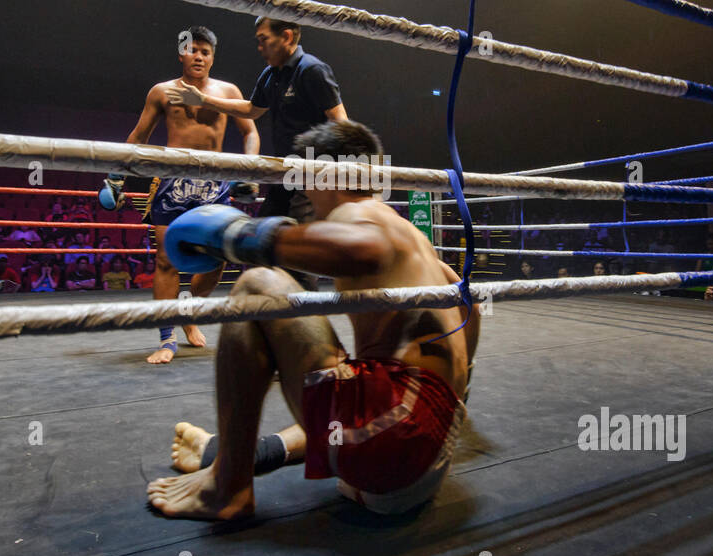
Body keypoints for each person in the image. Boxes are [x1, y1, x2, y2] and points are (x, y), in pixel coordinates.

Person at [146, 120, 479, 521]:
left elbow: (364, 249)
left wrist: (238, 236)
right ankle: (248, 453)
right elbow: (471, 310)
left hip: (391, 446)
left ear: (324, 175)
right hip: (432, 453)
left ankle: (227, 486)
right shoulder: (420, 246)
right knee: (356, 378)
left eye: (305, 179)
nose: (304, 193)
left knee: (258, 286)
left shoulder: (359, 213)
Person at [102, 25, 260, 363]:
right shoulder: (162, 92)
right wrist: (116, 176)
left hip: (213, 185)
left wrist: (249, 168)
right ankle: (166, 338)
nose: (199, 56)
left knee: (219, 257)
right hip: (172, 181)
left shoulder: (227, 91)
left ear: (213, 58)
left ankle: (188, 311)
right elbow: (139, 134)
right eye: (193, 50)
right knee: (165, 259)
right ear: (182, 54)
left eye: (206, 52)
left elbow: (250, 132)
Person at [164, 17, 347, 291]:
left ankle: (303, 318)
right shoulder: (271, 74)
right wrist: (203, 100)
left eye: (264, 39)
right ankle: (275, 314)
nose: (259, 47)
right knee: (261, 239)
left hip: (312, 173)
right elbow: (251, 109)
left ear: (286, 36)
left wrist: (335, 173)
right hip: (284, 173)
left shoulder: (312, 70)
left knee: (298, 248)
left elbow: (340, 122)